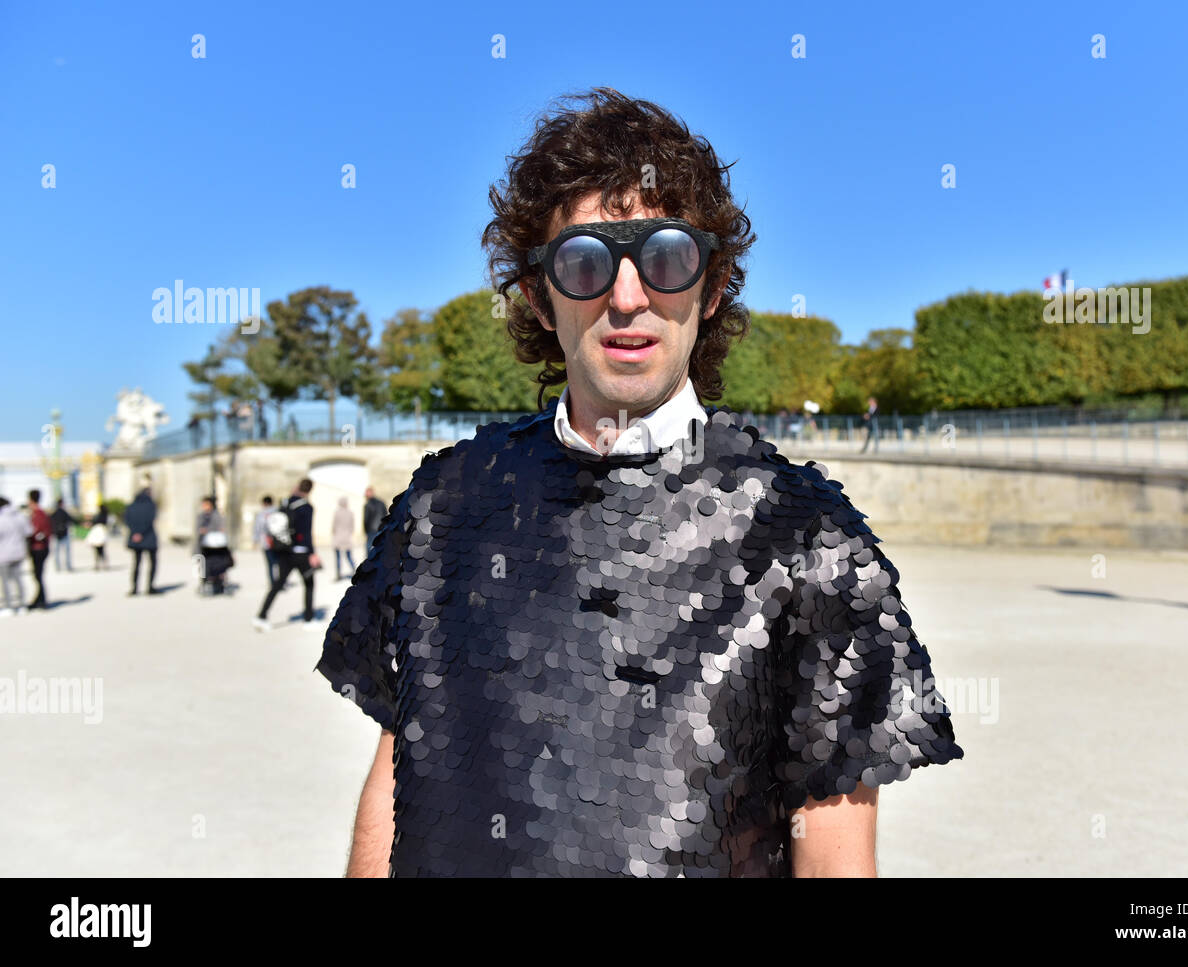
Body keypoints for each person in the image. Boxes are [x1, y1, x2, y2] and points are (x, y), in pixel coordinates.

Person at [314, 89, 962, 879]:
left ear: (711, 286)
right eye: (586, 261)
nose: (627, 296)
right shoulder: (440, 506)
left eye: (665, 257)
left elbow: (833, 859)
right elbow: (396, 773)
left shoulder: (808, 539)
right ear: (538, 296)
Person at [252, 478, 318, 630]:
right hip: (301, 552)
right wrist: (312, 553)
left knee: (277, 585)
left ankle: (261, 616)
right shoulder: (307, 507)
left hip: (284, 551)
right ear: (309, 490)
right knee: (309, 584)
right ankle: (308, 619)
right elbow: (307, 532)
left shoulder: (285, 503)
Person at [123, 485, 159, 596]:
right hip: (148, 537)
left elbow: (127, 521)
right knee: (152, 563)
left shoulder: (131, 506)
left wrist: (135, 533)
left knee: (136, 563)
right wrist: (141, 533)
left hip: (135, 538)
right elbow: (150, 520)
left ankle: (134, 588)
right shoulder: (151, 505)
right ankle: (150, 587)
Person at [0, 496, 32, 616]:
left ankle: (8, 607)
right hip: (19, 552)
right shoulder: (20, 517)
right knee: (18, 579)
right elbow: (29, 532)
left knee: (5, 582)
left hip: (3, 554)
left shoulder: (1, 519)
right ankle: (22, 605)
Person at [195, 495, 233, 594]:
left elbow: (221, 529)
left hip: (216, 547)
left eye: (206, 504)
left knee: (218, 567)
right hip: (203, 547)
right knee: (203, 568)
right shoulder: (200, 516)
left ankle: (218, 585)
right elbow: (197, 532)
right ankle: (204, 584)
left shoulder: (217, 516)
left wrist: (208, 530)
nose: (204, 506)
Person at [25, 490, 51, 610]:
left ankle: (41, 600)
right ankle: (39, 599)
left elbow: (34, 531)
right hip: (41, 547)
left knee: (38, 574)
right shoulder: (41, 513)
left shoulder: (37, 514)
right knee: (37, 574)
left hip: (38, 548)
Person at [251, 495, 278, 585]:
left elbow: (257, 528)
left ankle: (272, 582)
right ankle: (279, 581)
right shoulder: (278, 511)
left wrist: (255, 541)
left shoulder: (261, 514)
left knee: (270, 563)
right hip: (278, 541)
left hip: (266, 541)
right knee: (278, 562)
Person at [331, 497, 355, 581]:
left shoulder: (337, 513)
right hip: (347, 537)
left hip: (338, 537)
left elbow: (333, 526)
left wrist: (334, 533)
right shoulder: (351, 513)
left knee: (338, 557)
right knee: (349, 556)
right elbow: (352, 527)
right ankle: (355, 571)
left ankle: (338, 575)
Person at [50, 498, 76, 572]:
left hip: (56, 534)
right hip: (64, 533)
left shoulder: (54, 513)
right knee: (66, 551)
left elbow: (50, 522)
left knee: (57, 552)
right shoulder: (64, 512)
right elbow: (71, 520)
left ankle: (58, 566)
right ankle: (68, 566)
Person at [362, 487, 386, 552]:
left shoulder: (368, 504)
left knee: (369, 548)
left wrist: (366, 531)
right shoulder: (381, 502)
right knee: (380, 548)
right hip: (381, 528)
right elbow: (386, 515)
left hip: (371, 530)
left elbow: (365, 520)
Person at [86, 503, 109, 570]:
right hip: (101, 532)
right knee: (101, 550)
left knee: (98, 550)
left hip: (98, 533)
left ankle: (98, 564)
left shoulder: (100, 515)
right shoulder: (106, 515)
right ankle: (103, 564)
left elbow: (95, 522)